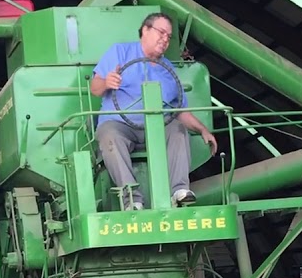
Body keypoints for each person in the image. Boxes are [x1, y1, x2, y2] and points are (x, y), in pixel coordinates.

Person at [89, 12, 217, 210]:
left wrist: (203, 130)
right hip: (121, 125)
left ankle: (179, 191)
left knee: (177, 129)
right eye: (161, 32)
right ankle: (132, 199)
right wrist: (107, 82)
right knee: (109, 135)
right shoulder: (120, 52)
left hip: (157, 127)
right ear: (145, 30)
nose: (165, 39)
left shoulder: (169, 70)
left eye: (169, 36)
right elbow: (95, 88)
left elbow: (179, 111)